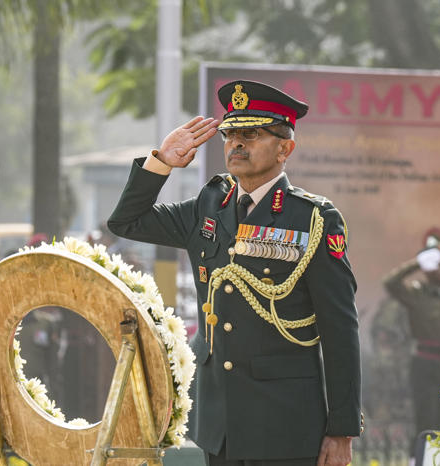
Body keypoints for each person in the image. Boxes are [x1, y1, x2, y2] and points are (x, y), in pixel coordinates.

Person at [108, 80, 362, 465]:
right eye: (229, 134)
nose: (236, 144)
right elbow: (127, 222)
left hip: (285, 424)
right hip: (219, 422)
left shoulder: (312, 219)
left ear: (285, 148)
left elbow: (340, 329)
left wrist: (341, 429)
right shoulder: (208, 206)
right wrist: (161, 162)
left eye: (251, 134)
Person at [383, 229, 440, 444]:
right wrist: (419, 262)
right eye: (439, 264)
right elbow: (390, 282)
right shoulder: (416, 294)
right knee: (426, 420)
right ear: (428, 269)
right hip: (424, 364)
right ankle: (419, 459)